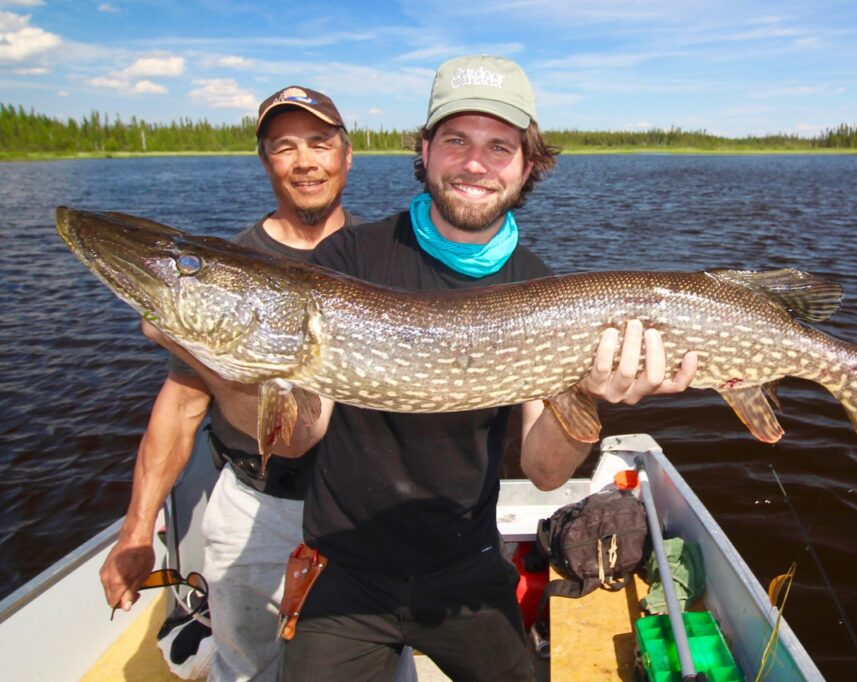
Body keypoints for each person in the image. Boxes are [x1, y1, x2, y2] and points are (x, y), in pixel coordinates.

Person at [277, 55, 700, 681]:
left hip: (465, 569)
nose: (475, 164)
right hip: (346, 569)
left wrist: (589, 398)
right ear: (425, 150)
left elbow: (544, 472)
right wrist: (229, 363)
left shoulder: (540, 287)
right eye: (456, 141)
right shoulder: (349, 258)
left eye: (499, 146)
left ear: (528, 165)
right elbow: (296, 438)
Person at [98, 85, 417, 681]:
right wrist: (138, 529)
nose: (305, 161)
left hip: (369, 513)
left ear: (348, 156)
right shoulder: (228, 266)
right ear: (266, 160)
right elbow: (180, 408)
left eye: (320, 144)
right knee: (246, 668)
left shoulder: (388, 258)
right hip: (259, 503)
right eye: (284, 147)